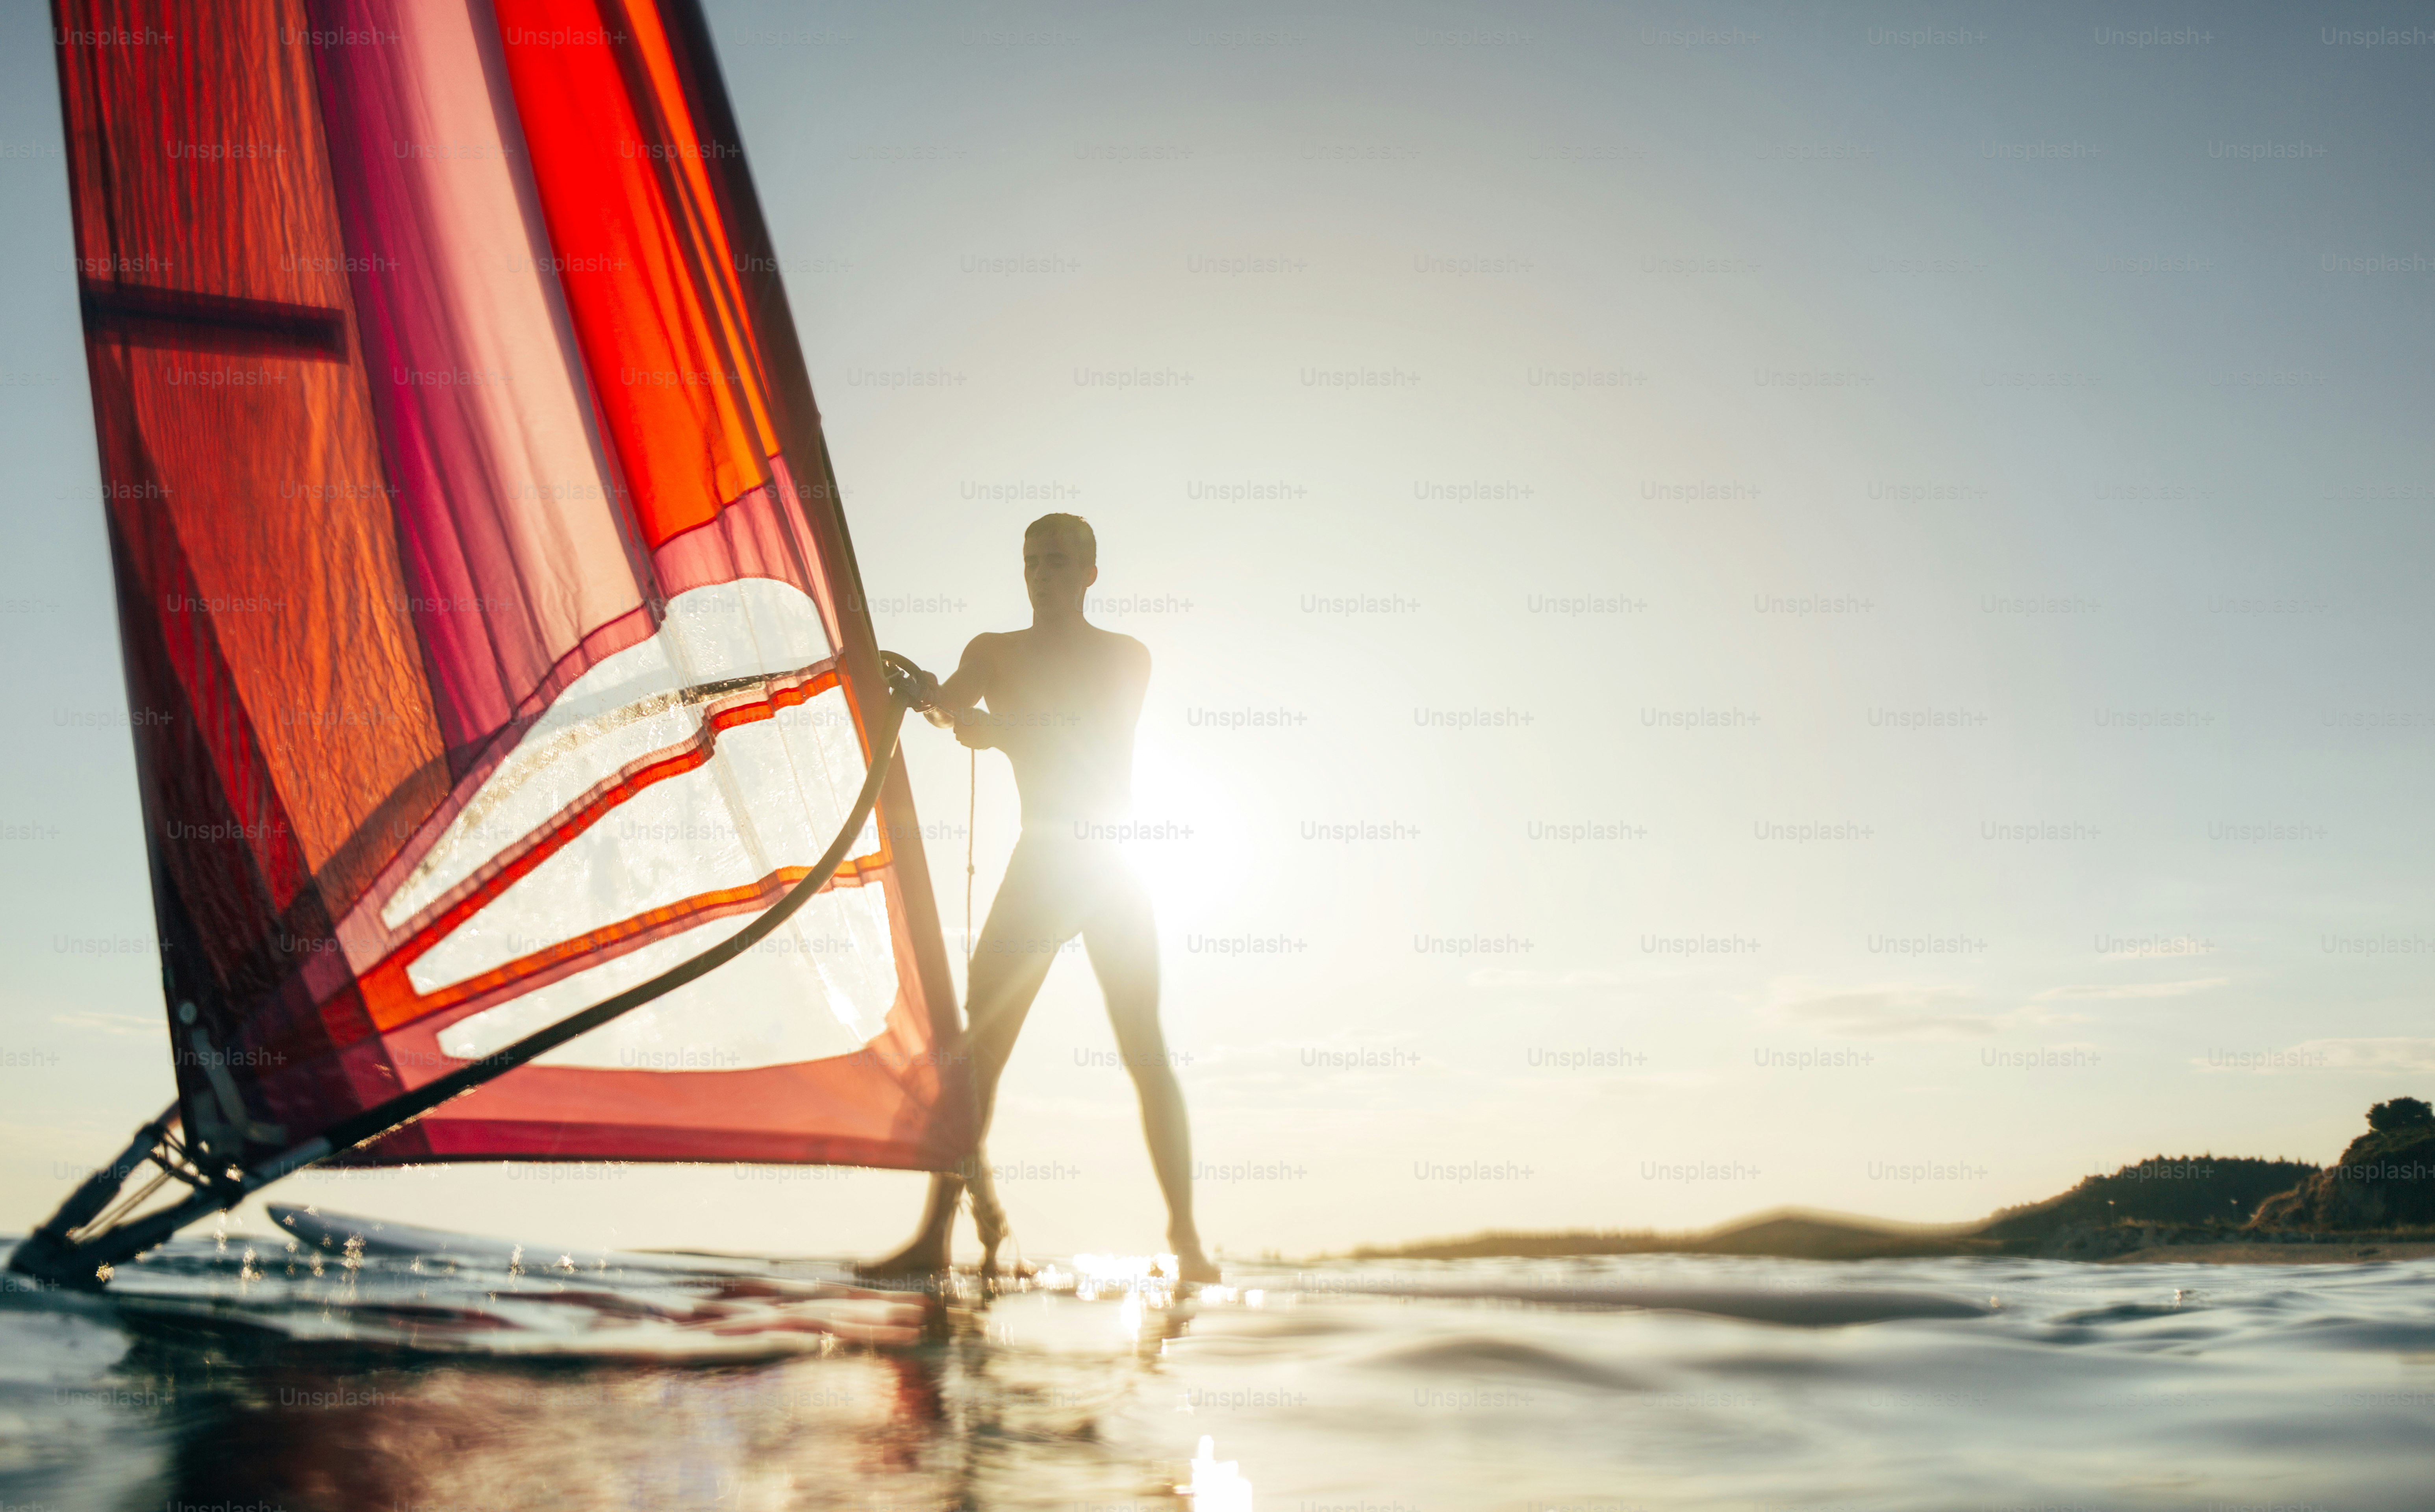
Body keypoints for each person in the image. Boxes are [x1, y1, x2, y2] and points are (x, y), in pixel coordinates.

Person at [861, 513, 1216, 1283]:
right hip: (1040, 864)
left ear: (1091, 574)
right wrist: (921, 692)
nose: (1042, 578)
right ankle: (934, 1241)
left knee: (1142, 1050)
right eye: (1031, 565)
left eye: (1058, 564)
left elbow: (1074, 733)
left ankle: (1187, 1244)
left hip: (1108, 866)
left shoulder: (1127, 657)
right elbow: (951, 705)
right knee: (974, 1054)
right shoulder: (992, 653)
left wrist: (993, 730)